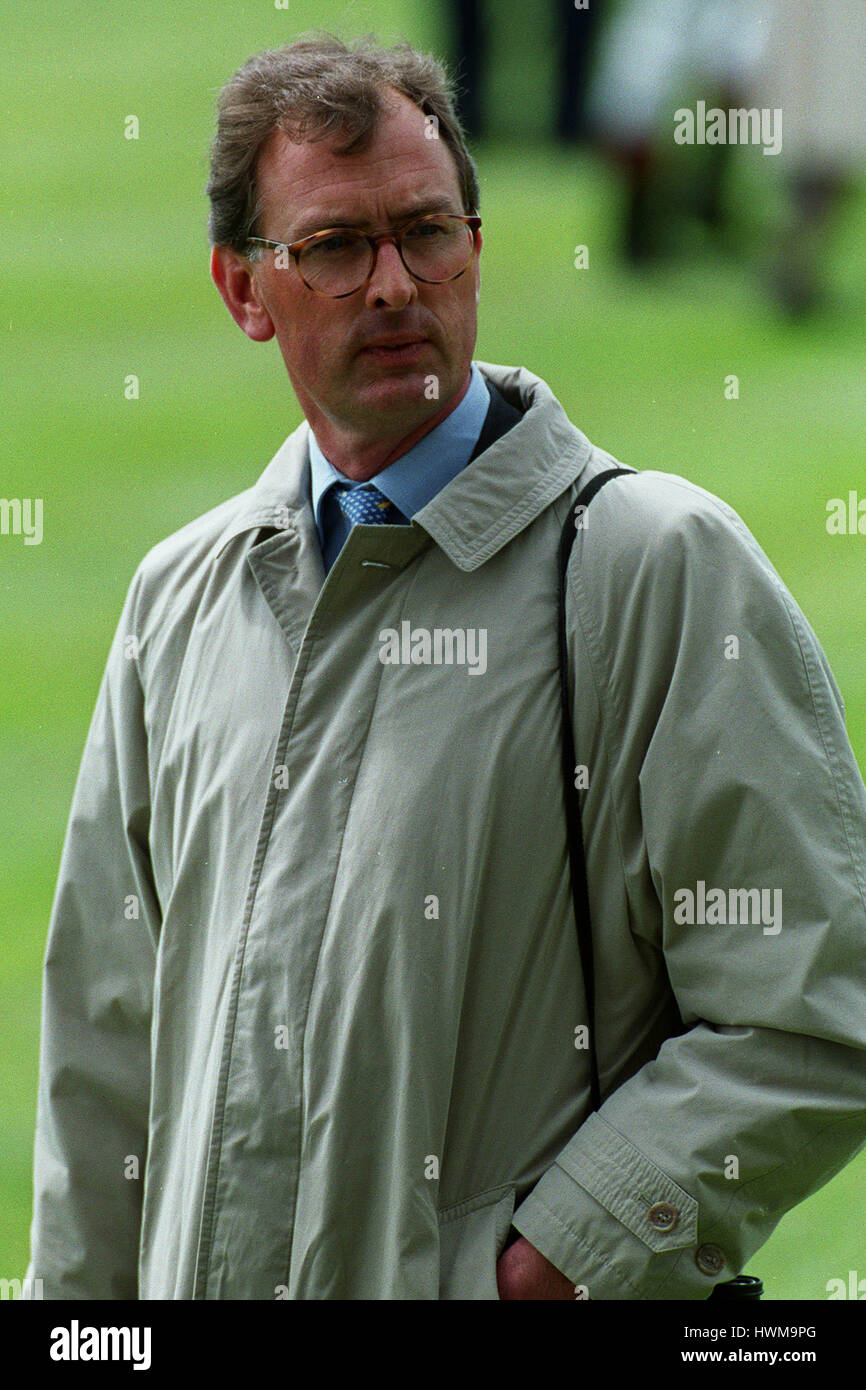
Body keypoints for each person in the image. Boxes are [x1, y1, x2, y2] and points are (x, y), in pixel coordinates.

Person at [24, 34, 866, 1301]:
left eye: (427, 232)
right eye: (333, 246)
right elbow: (103, 1058)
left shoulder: (653, 568)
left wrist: (555, 1263)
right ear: (243, 291)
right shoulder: (178, 601)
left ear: (475, 244)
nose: (392, 286)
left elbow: (810, 1010)